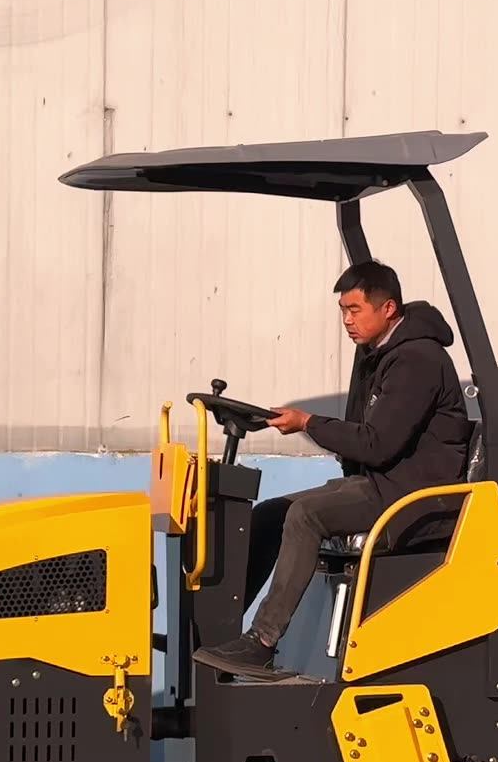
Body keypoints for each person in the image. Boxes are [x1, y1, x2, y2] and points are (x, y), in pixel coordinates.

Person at [191, 260, 471, 680]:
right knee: (271, 514)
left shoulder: (417, 360)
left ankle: (263, 642)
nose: (347, 321)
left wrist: (308, 423)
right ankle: (224, 635)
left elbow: (376, 444)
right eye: (343, 310)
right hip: (381, 483)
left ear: (388, 308)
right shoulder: (378, 354)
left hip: (411, 498)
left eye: (355, 310)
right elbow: (363, 435)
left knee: (307, 516)